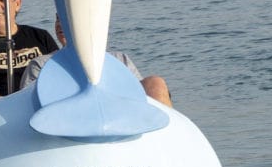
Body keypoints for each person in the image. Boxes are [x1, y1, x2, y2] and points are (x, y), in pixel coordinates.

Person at [20, 16, 173, 108]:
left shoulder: (119, 59)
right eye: (58, 18)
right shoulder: (42, 64)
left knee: (156, 83)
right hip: (65, 126)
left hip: (120, 115)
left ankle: (170, 140)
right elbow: (26, 107)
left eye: (67, 19)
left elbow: (139, 96)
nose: (60, 24)